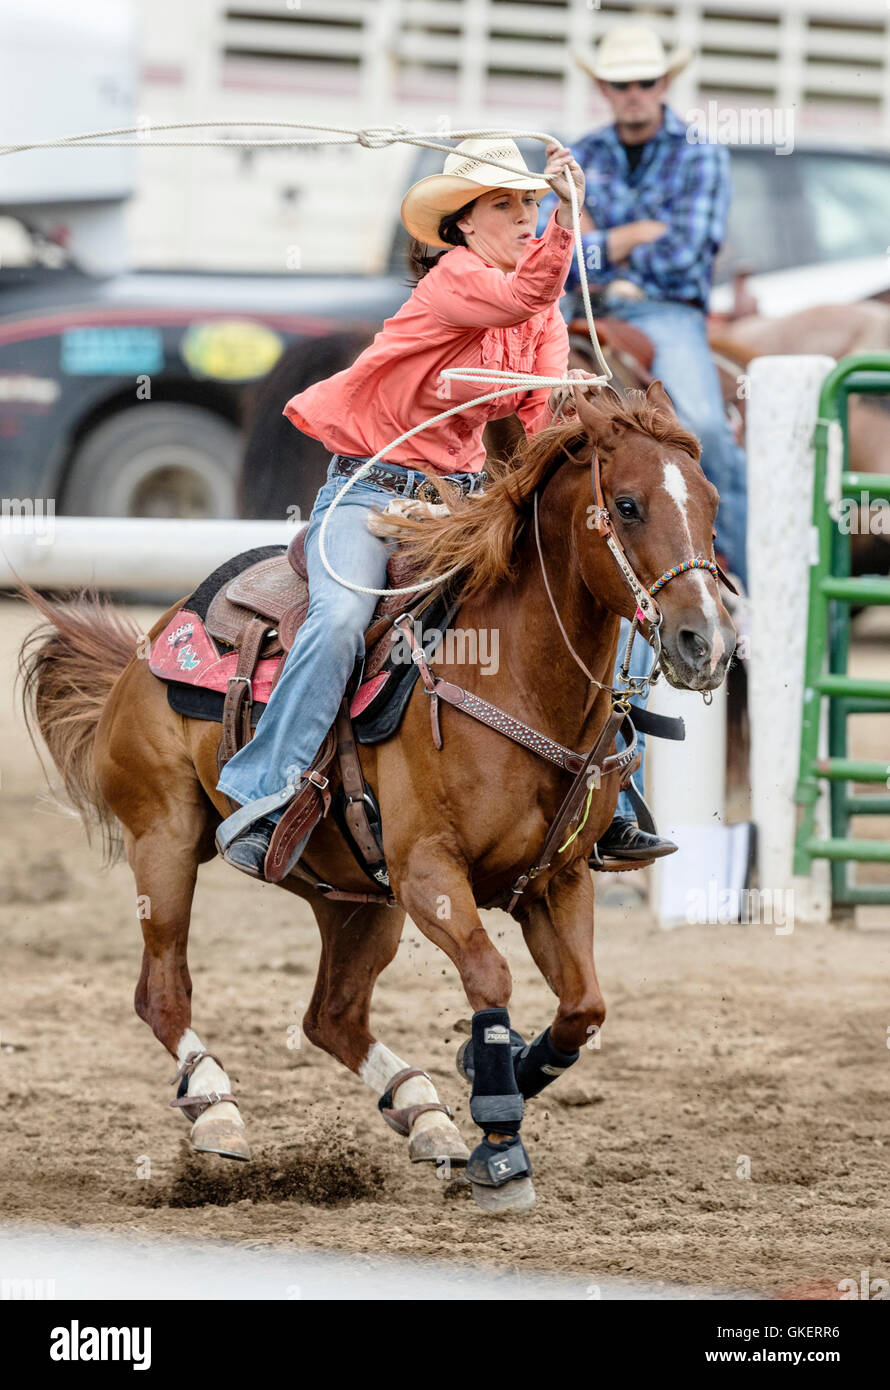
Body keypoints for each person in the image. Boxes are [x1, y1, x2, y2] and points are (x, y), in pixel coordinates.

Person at [216, 135, 661, 877]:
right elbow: (528, 294)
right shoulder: (455, 281)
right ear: (461, 224)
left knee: (602, 598)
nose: (525, 217)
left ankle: (609, 795)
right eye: (507, 205)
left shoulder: (541, 317)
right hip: (370, 491)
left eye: (530, 203)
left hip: (460, 501)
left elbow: (539, 417)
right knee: (340, 621)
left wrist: (584, 422)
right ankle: (264, 791)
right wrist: (565, 218)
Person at [538, 20, 748, 859]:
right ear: (605, 90)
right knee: (523, 404)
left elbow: (686, 252)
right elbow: (558, 254)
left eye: (645, 82)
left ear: (665, 84)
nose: (633, 95)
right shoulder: (577, 155)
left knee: (695, 425)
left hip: (665, 314)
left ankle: (722, 563)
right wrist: (618, 244)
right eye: (620, 84)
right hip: (578, 307)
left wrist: (607, 249)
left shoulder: (703, 157)